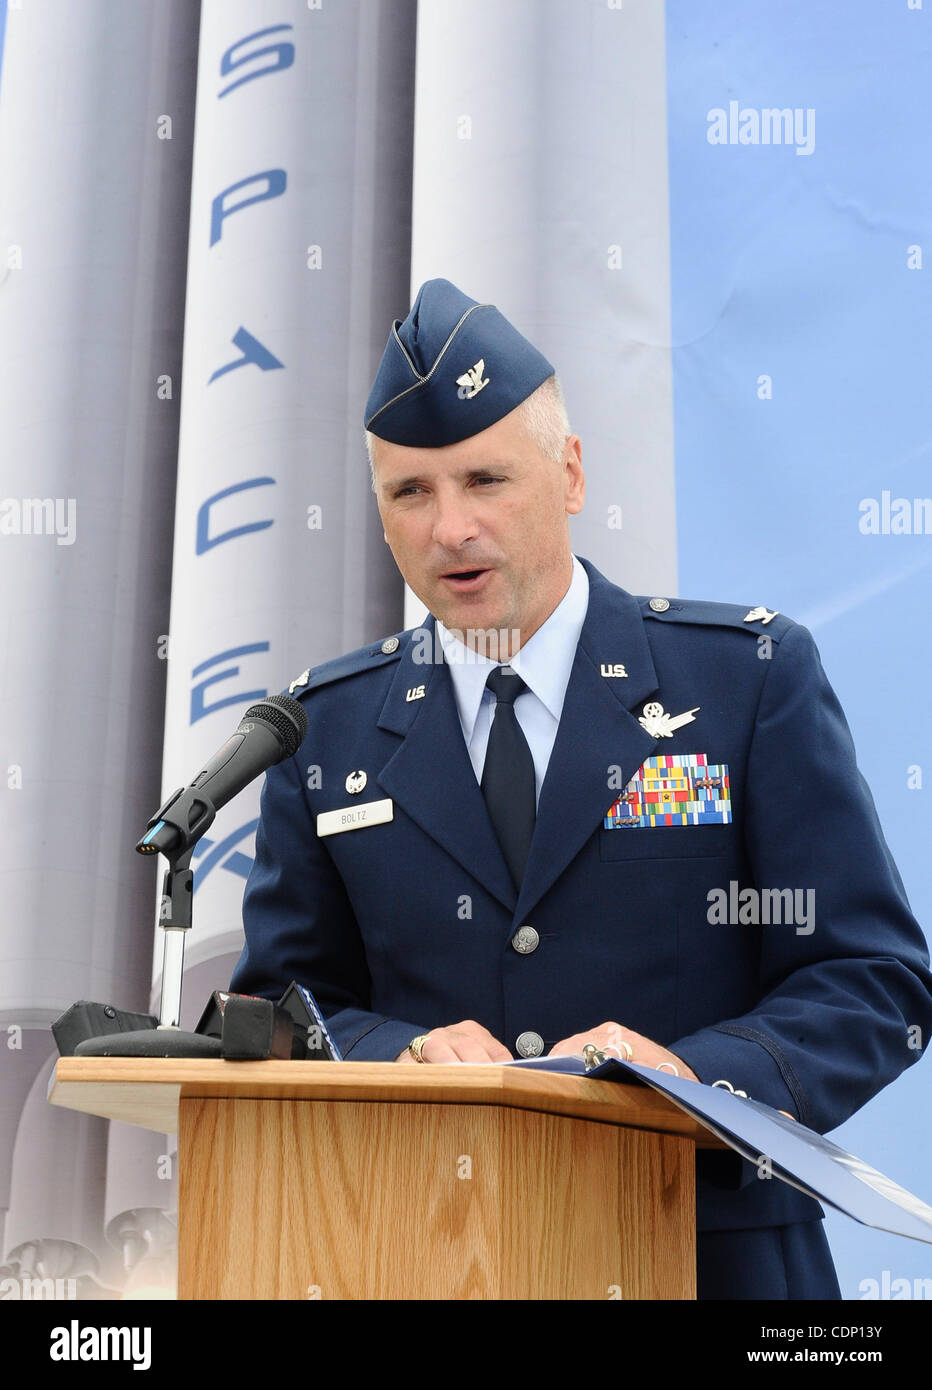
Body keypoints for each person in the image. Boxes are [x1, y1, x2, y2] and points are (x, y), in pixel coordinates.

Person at [230, 278, 932, 1299]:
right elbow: (286, 1004)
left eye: (485, 480)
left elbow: (872, 983)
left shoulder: (744, 679)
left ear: (568, 473)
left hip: (710, 1254)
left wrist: (690, 1073)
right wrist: (404, 1050)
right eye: (410, 493)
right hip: (422, 1252)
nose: (450, 528)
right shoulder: (317, 727)